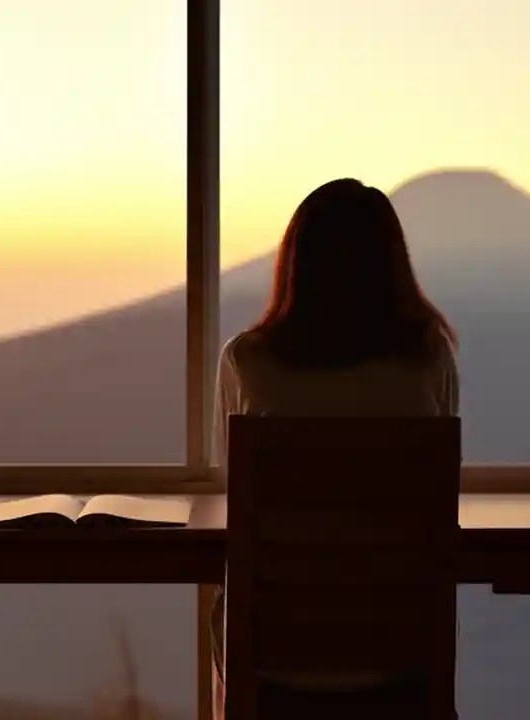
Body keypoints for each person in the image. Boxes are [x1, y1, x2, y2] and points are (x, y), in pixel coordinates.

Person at [210, 178, 459, 719]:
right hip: (399, 654)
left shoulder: (248, 362)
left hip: (278, 659)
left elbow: (236, 496)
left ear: (295, 261)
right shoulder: (429, 358)